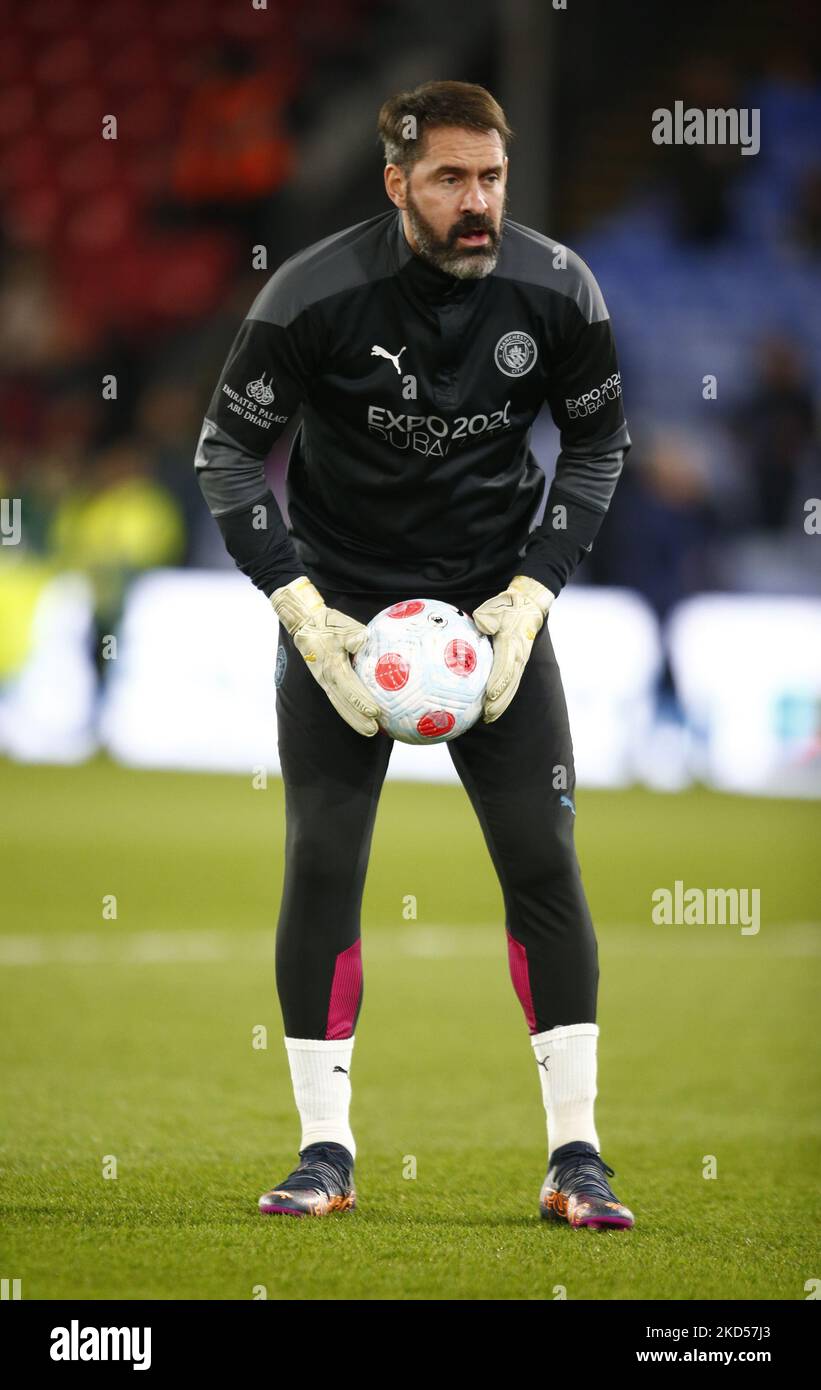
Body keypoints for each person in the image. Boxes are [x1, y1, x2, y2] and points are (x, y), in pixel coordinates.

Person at [194, 80, 634, 1230]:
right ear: (396, 184)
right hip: (344, 619)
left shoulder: (556, 289)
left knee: (542, 855)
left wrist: (533, 591)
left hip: (492, 616)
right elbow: (226, 455)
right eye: (447, 179)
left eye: (489, 177)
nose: (475, 201)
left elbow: (595, 445)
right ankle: (322, 1151)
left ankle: (576, 1156)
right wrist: (298, 608)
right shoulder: (314, 295)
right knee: (323, 861)